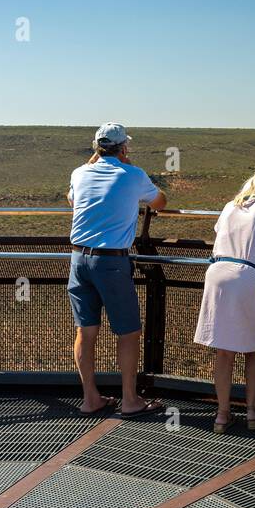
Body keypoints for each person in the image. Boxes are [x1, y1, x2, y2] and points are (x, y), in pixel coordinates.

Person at [67, 122, 167, 416]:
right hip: (111, 261)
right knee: (128, 332)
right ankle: (130, 400)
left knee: (85, 331)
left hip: (78, 259)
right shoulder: (133, 175)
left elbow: (71, 199)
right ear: (124, 148)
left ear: (96, 148)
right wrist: (130, 171)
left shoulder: (80, 172)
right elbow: (160, 201)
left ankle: (90, 399)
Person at [193, 170, 255, 433]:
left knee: (223, 350)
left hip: (216, 273)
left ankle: (222, 416)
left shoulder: (229, 207)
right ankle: (251, 411)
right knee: (253, 348)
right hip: (245, 275)